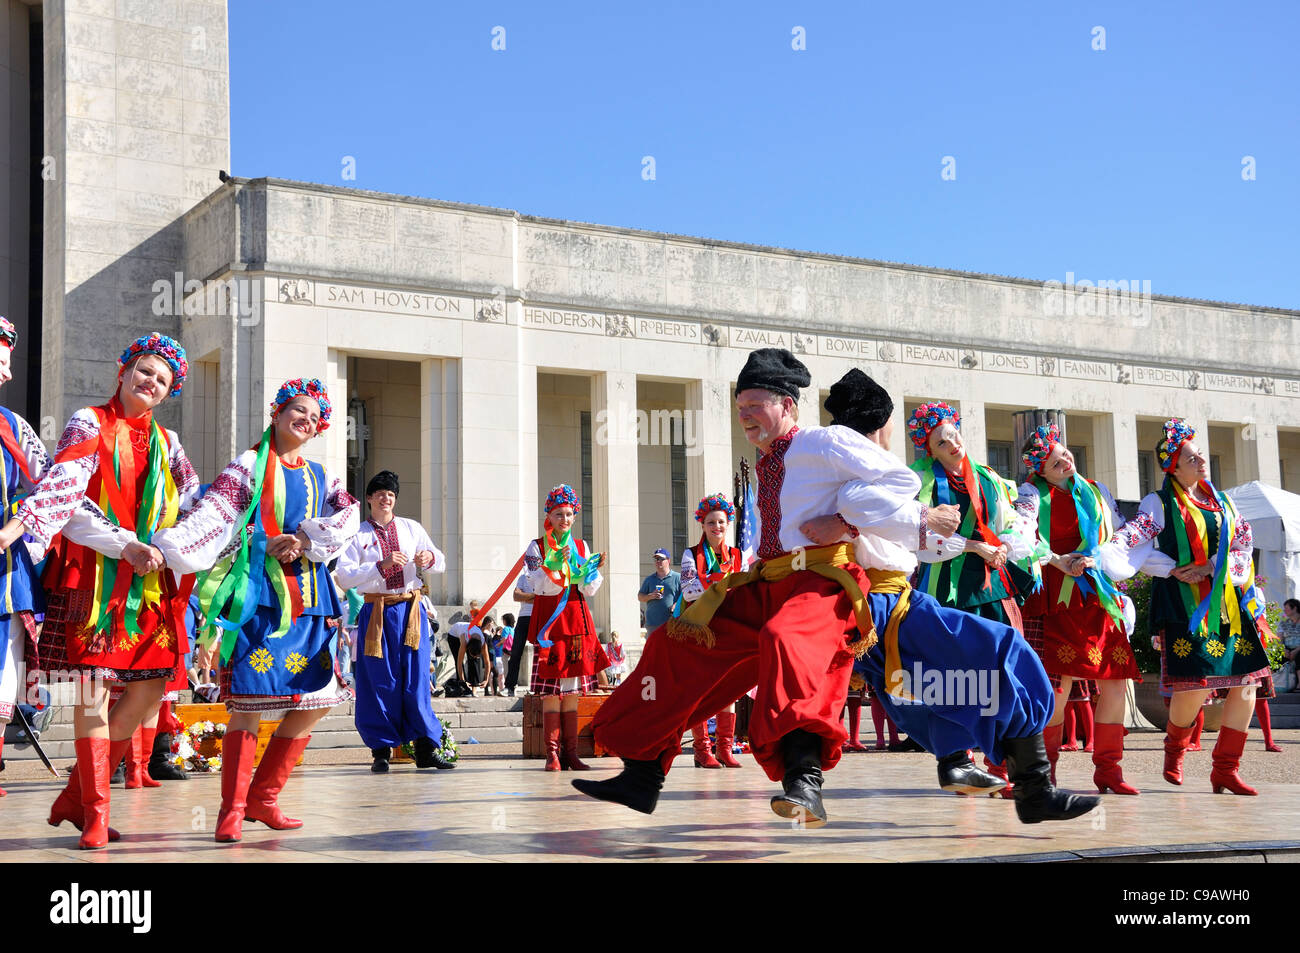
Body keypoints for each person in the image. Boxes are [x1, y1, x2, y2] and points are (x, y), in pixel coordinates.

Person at [577, 355, 1095, 826]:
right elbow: (891, 511)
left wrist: (853, 521)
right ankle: (643, 769)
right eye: (740, 408)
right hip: (786, 583)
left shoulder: (825, 443)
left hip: (843, 589)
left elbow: (896, 488)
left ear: (787, 405)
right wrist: (883, 522)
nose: (745, 416)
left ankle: (1016, 781)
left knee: (948, 665)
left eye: (755, 405)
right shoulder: (770, 462)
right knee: (679, 640)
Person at [1, 333, 199, 848]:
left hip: (149, 584)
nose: (151, 382)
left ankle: (75, 796)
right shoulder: (89, 422)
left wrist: (176, 545)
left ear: (169, 391)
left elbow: (197, 503)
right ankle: (94, 813)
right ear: (124, 370)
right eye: (145, 370)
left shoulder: (170, 445)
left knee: (152, 689)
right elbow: (64, 496)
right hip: (94, 579)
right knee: (91, 694)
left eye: (162, 379)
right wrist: (123, 544)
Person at [152, 378, 359, 842]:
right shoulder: (248, 465)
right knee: (247, 703)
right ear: (278, 412)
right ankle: (232, 809)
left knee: (316, 701)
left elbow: (348, 518)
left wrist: (307, 538)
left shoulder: (324, 476)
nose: (304, 419)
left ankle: (264, 798)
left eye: (314, 415)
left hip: (311, 597)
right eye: (297, 410)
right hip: (258, 597)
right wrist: (166, 550)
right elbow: (214, 516)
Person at [1099, 418, 1270, 795]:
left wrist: (1212, 566)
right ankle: (1174, 749)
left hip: (1226, 602)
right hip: (1183, 603)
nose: (1200, 462)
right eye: (1191, 458)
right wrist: (1173, 569)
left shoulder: (1222, 502)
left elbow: (1241, 547)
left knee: (1246, 685)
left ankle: (1226, 768)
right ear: (1172, 467)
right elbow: (1130, 542)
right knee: (1193, 687)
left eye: (1200, 455)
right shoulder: (1158, 504)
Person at [907, 401, 1040, 794]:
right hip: (946, 586)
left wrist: (1004, 545)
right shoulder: (920, 480)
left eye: (954, 433)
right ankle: (960, 760)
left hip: (988, 586)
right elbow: (919, 533)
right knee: (958, 675)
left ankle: (1000, 765)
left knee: (1002, 670)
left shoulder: (985, 476)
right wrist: (975, 547)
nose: (952, 442)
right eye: (941, 439)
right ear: (929, 449)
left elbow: (1008, 522)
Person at [1015, 423, 1142, 794]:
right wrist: (1058, 560)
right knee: (1058, 686)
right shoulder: (1030, 494)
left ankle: (1109, 769)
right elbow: (1022, 534)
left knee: (1114, 681)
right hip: (1057, 594)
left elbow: (1117, 532)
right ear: (1039, 470)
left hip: (1098, 593)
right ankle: (1045, 771)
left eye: (1065, 454)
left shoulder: (1096, 491)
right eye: (1056, 462)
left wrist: (1100, 556)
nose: (1065, 462)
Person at [333, 470, 453, 774]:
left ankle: (425, 748)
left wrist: (428, 559)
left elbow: (440, 560)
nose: (387, 498)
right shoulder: (357, 535)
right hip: (376, 613)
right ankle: (381, 751)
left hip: (411, 611)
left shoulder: (411, 528)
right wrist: (379, 567)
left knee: (416, 680)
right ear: (370, 498)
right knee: (379, 681)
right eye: (381, 493)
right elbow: (345, 576)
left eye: (391, 494)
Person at [0, 317, 52, 798]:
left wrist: (16, 525)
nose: (8, 375)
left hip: (3, 564)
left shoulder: (14, 426)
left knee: (4, 657)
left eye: (7, 363)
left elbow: (55, 484)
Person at [527, 484, 607, 771]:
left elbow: (591, 588)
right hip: (551, 623)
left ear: (574, 517)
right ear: (549, 515)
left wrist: (589, 572)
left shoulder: (581, 546)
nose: (564, 519)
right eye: (558, 514)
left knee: (572, 692)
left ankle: (572, 753)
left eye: (568, 514)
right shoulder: (537, 547)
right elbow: (535, 585)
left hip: (576, 619)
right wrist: (555, 569)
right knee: (551, 691)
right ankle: (552, 754)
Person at [679, 493, 751, 768]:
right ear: (703, 524)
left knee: (728, 688)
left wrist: (714, 582)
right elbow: (689, 589)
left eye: (721, 522)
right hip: (700, 626)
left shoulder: (737, 555)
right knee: (701, 688)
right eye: (711, 522)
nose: (716, 527)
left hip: (728, 626)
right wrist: (722, 583)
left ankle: (724, 747)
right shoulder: (690, 554)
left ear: (728, 523)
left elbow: (743, 589)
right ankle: (701, 750)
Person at [504, 569, 534, 696]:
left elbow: (545, 598)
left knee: (541, 654)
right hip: (523, 617)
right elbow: (516, 596)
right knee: (515, 652)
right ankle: (509, 686)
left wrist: (525, 596)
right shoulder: (523, 577)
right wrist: (535, 596)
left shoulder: (545, 576)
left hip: (539, 616)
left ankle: (538, 687)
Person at [637, 549, 681, 635]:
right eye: (656, 559)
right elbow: (640, 596)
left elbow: (685, 596)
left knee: (670, 648)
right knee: (654, 648)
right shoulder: (649, 579)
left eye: (661, 559)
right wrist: (650, 596)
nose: (658, 561)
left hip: (672, 623)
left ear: (668, 561)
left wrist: (676, 604)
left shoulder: (677, 577)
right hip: (653, 624)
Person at [1279, 598, 1300, 692]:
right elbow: (1280, 639)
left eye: (1286, 609)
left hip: (1299, 648)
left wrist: (1296, 650)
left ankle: (1299, 683)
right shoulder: (1284, 623)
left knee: (1299, 657)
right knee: (1277, 658)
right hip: (1288, 648)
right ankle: (1273, 683)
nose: (1285, 611)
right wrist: (1284, 649)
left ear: (1294, 608)